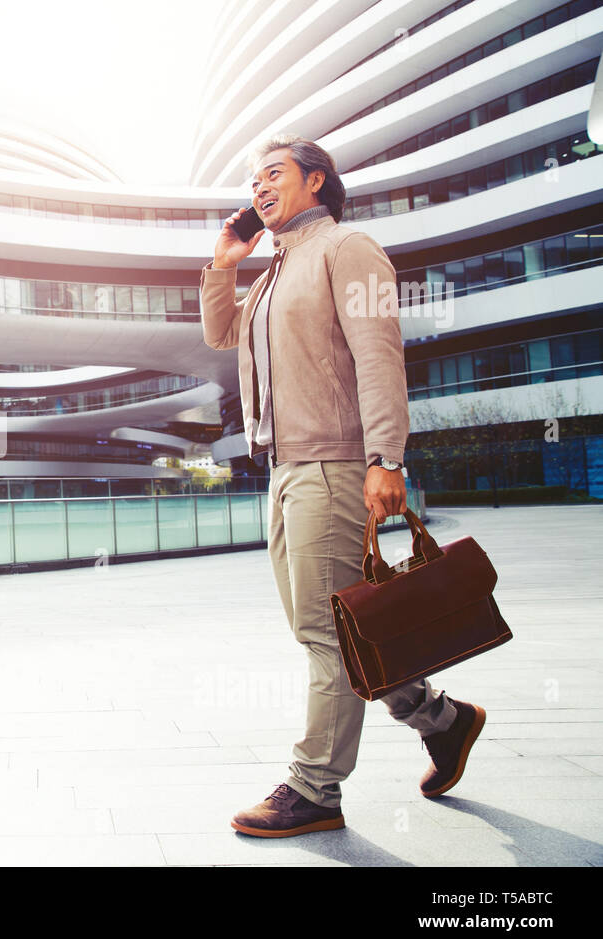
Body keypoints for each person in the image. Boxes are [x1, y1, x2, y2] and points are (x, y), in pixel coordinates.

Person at [199, 134, 486, 838]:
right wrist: (222, 266)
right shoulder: (271, 274)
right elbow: (220, 336)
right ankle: (444, 722)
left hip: (332, 463)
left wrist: (385, 456)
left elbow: (378, 353)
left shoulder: (346, 248)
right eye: (253, 180)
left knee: (329, 633)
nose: (259, 188)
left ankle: (315, 787)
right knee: (327, 628)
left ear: (317, 180)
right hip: (285, 469)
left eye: (274, 174)